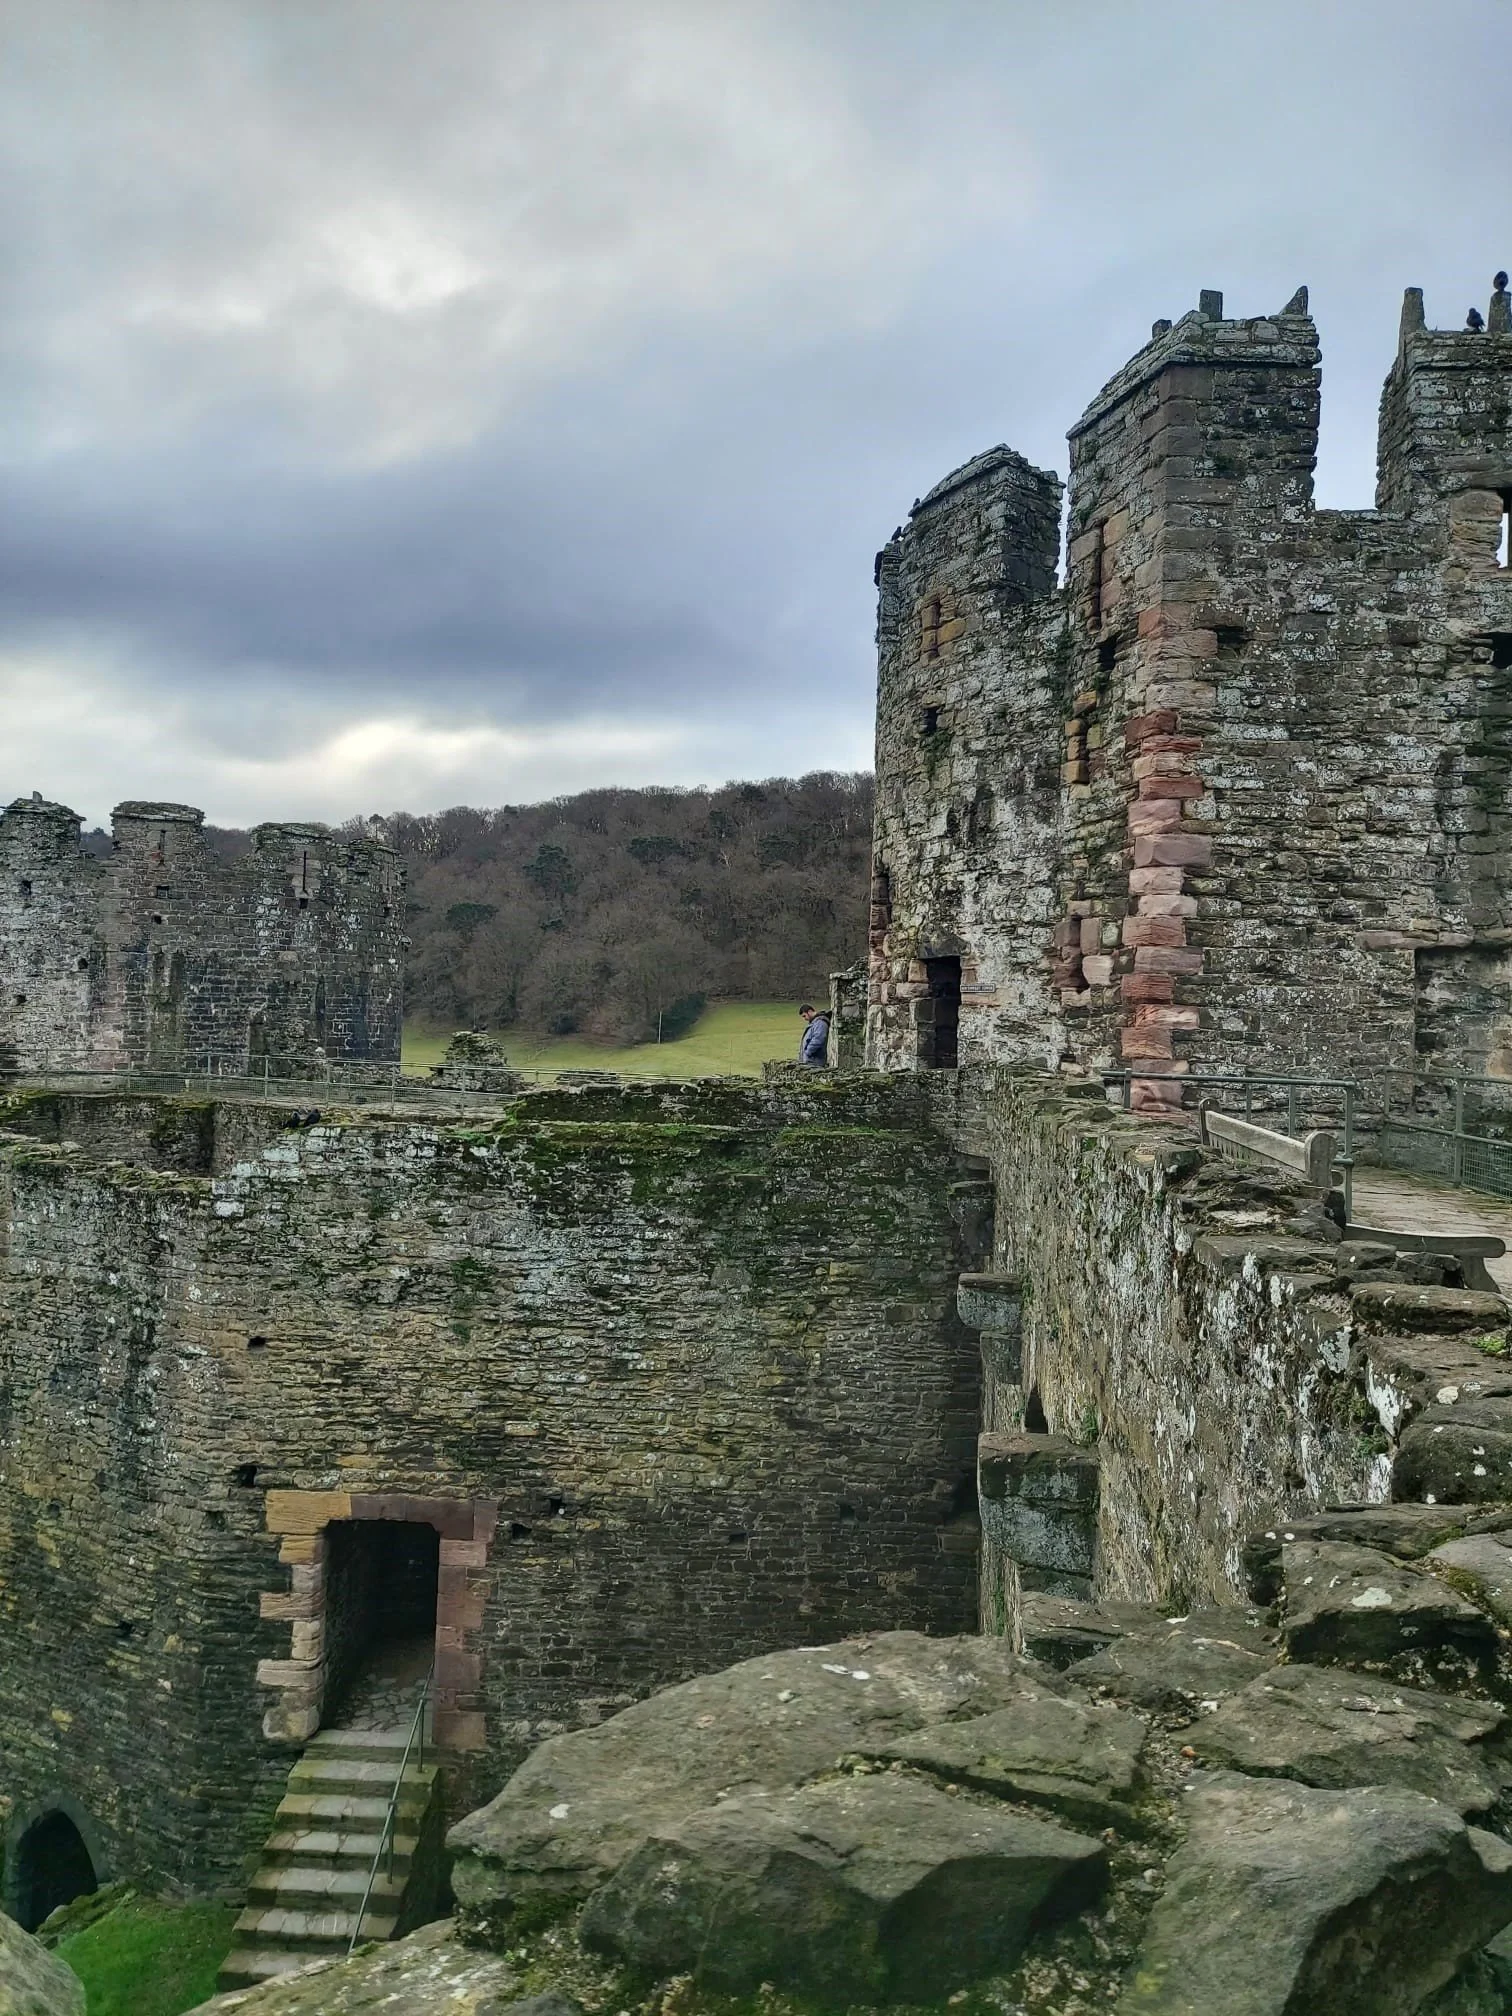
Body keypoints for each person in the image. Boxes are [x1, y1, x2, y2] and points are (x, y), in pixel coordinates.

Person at [797, 1003, 830, 1068]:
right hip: (812, 1061)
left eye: (804, 1016)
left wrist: (807, 1053)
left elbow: (818, 1039)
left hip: (815, 1062)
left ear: (809, 1012)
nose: (805, 1019)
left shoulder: (820, 1022)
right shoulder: (815, 1022)